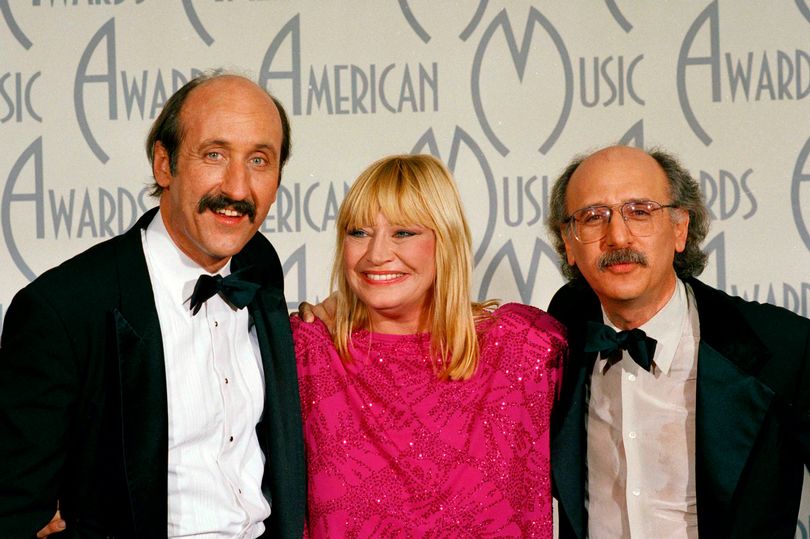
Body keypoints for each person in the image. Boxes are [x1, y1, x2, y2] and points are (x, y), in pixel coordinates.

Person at [0, 71, 306, 538]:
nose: (238, 188)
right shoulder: (65, 308)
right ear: (164, 164)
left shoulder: (259, 266)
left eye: (259, 160)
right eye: (215, 154)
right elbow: (16, 509)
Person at [290, 154, 566, 537]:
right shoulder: (308, 354)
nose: (376, 254)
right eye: (359, 232)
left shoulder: (521, 348)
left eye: (403, 233)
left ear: (446, 241)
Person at [545, 144, 810, 538]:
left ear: (680, 228)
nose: (617, 236)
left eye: (640, 211)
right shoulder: (557, 334)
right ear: (569, 242)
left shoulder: (782, 347)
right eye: (593, 217)